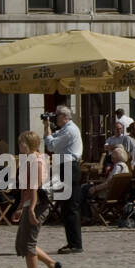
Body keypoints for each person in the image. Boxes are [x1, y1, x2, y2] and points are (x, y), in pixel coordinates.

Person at [14, 131, 60, 268]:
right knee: (22, 243)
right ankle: (51, 264)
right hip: (29, 203)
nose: (20, 145)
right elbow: (24, 188)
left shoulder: (37, 161)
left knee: (28, 243)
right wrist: (20, 207)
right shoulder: (27, 160)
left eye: (22, 143)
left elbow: (35, 187)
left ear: (30, 144)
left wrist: (31, 209)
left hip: (38, 204)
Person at [43, 104, 84, 254]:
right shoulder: (65, 129)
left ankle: (76, 244)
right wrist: (48, 128)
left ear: (65, 117)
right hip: (64, 167)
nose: (55, 117)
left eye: (57, 115)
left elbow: (51, 145)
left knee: (71, 207)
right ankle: (71, 242)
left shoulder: (70, 130)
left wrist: (47, 127)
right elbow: (51, 140)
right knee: (66, 208)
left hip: (69, 168)